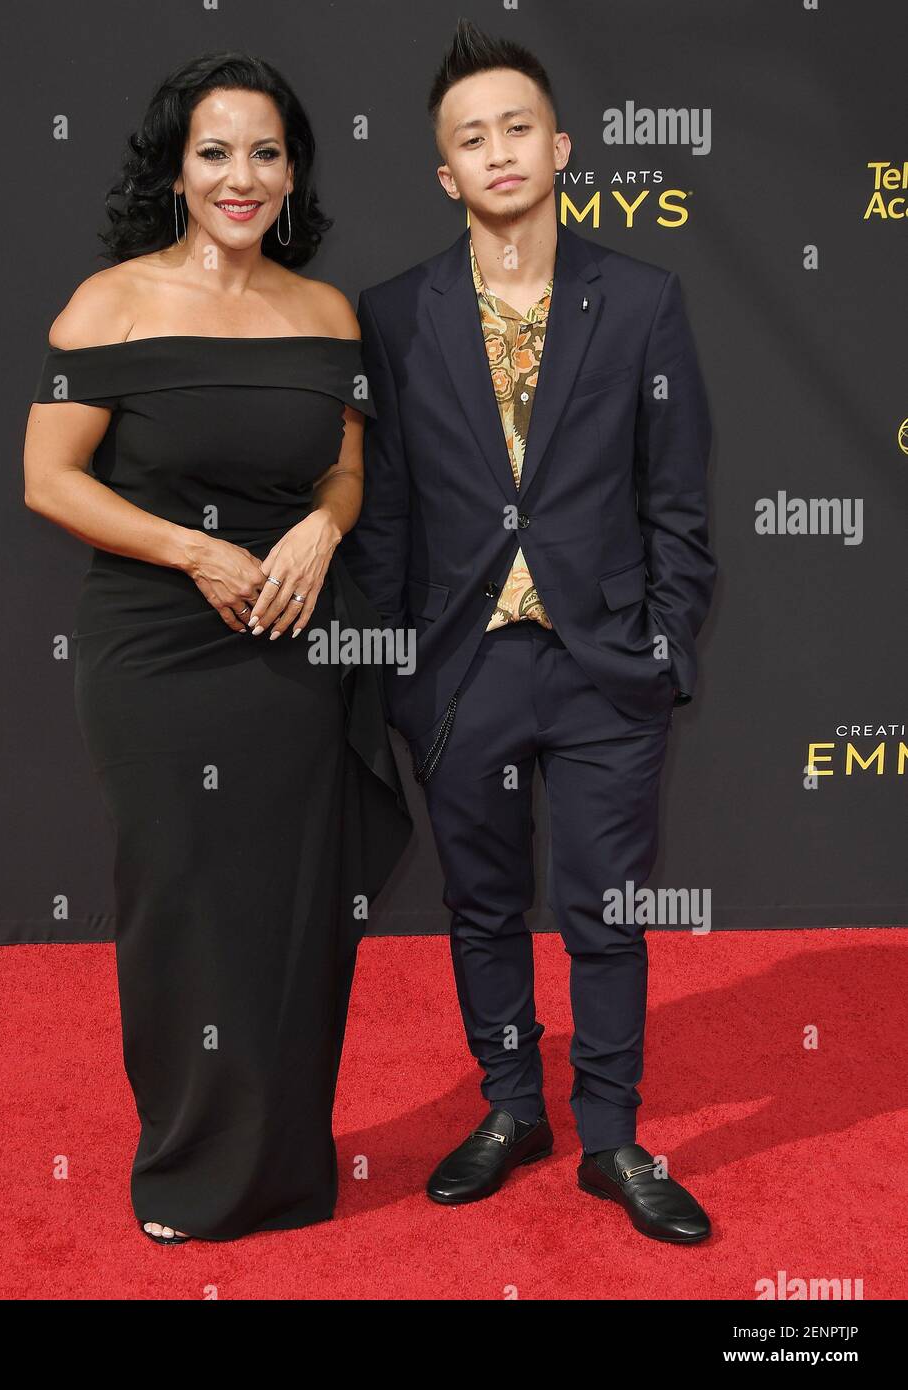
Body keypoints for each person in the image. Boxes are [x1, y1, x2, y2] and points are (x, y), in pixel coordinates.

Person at [23, 53, 411, 1244]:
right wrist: (192, 553)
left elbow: (344, 463)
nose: (239, 176)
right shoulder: (109, 304)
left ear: (292, 173)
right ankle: (190, 1170)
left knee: (291, 904)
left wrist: (323, 525)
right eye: (214, 152)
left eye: (264, 153)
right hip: (157, 648)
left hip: (294, 639)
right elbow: (48, 479)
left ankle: (284, 1164)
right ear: (176, 172)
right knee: (184, 899)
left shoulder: (326, 312)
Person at [341, 19, 716, 1243]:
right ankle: (512, 1105)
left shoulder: (643, 300)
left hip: (604, 663)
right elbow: (384, 511)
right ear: (443, 174)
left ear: (559, 145)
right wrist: (401, 668)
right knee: (481, 906)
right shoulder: (393, 315)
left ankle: (608, 1134)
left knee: (608, 911)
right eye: (469, 138)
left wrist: (662, 642)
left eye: (516, 128)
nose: (497, 151)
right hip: (461, 668)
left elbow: (676, 500)